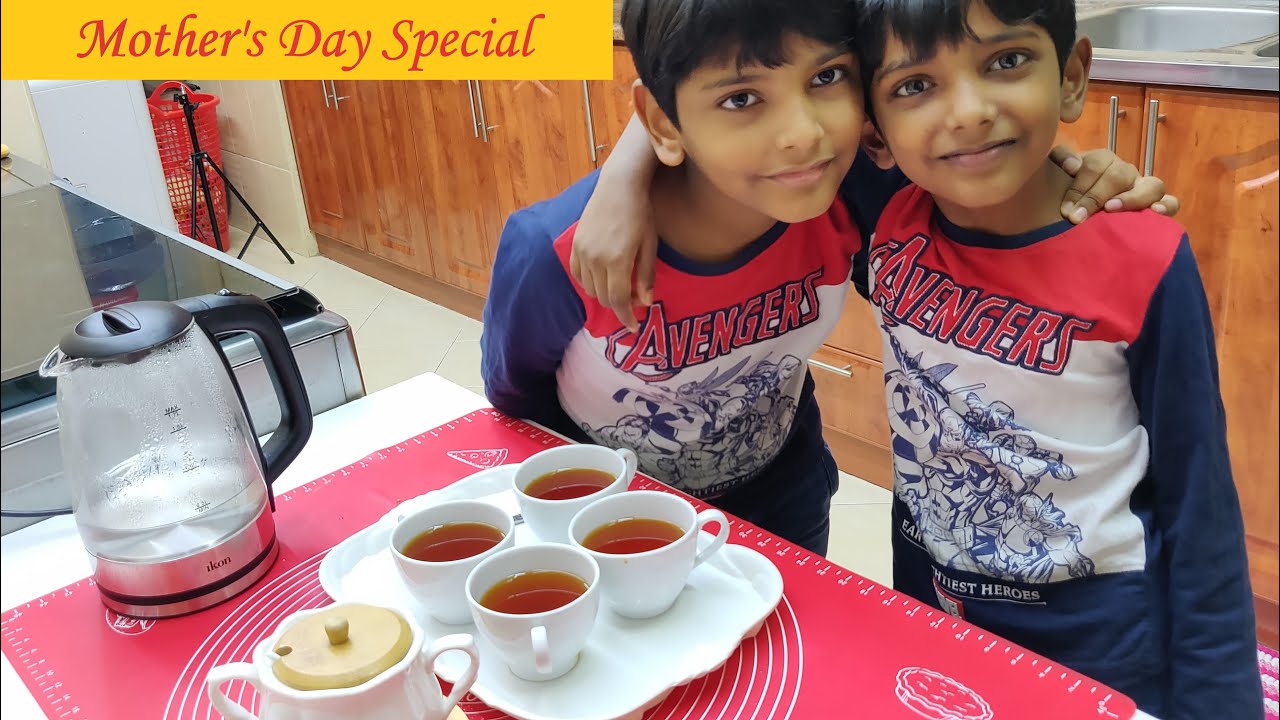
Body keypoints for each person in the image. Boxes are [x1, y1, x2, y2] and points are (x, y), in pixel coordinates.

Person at [482, 0, 1171, 556]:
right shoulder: (560, 250)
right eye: (743, 99)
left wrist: (1074, 181)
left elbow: (986, 220)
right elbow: (517, 403)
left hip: (785, 497)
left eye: (826, 78)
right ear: (664, 121)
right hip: (611, 526)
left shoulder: (853, 193)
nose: (804, 134)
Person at [846, 0, 1258, 716]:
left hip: (1102, 643)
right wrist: (628, 177)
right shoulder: (884, 216)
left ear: (1071, 77)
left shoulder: (1144, 258)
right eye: (915, 85)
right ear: (873, 132)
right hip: (931, 605)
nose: (969, 112)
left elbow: (1201, 503)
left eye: (1006, 61)